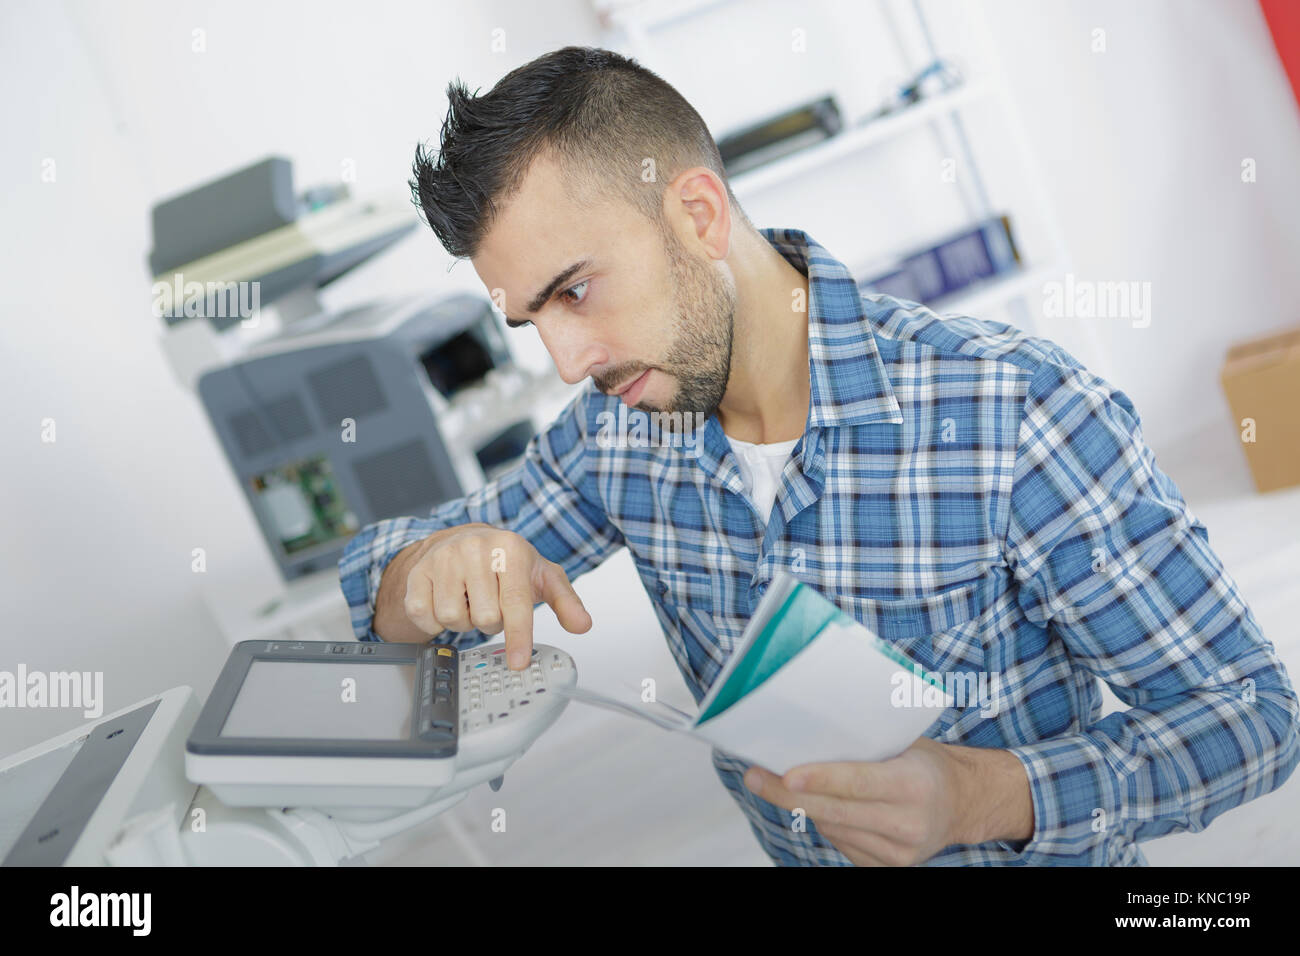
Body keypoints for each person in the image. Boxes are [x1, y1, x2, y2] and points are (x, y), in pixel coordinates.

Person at [339, 46, 1298, 866]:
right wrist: (428, 571)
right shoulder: (621, 428)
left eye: (578, 292)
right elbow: (396, 590)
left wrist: (984, 796)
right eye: (529, 320)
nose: (565, 362)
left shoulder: (1018, 414)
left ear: (699, 216)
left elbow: (1252, 717)